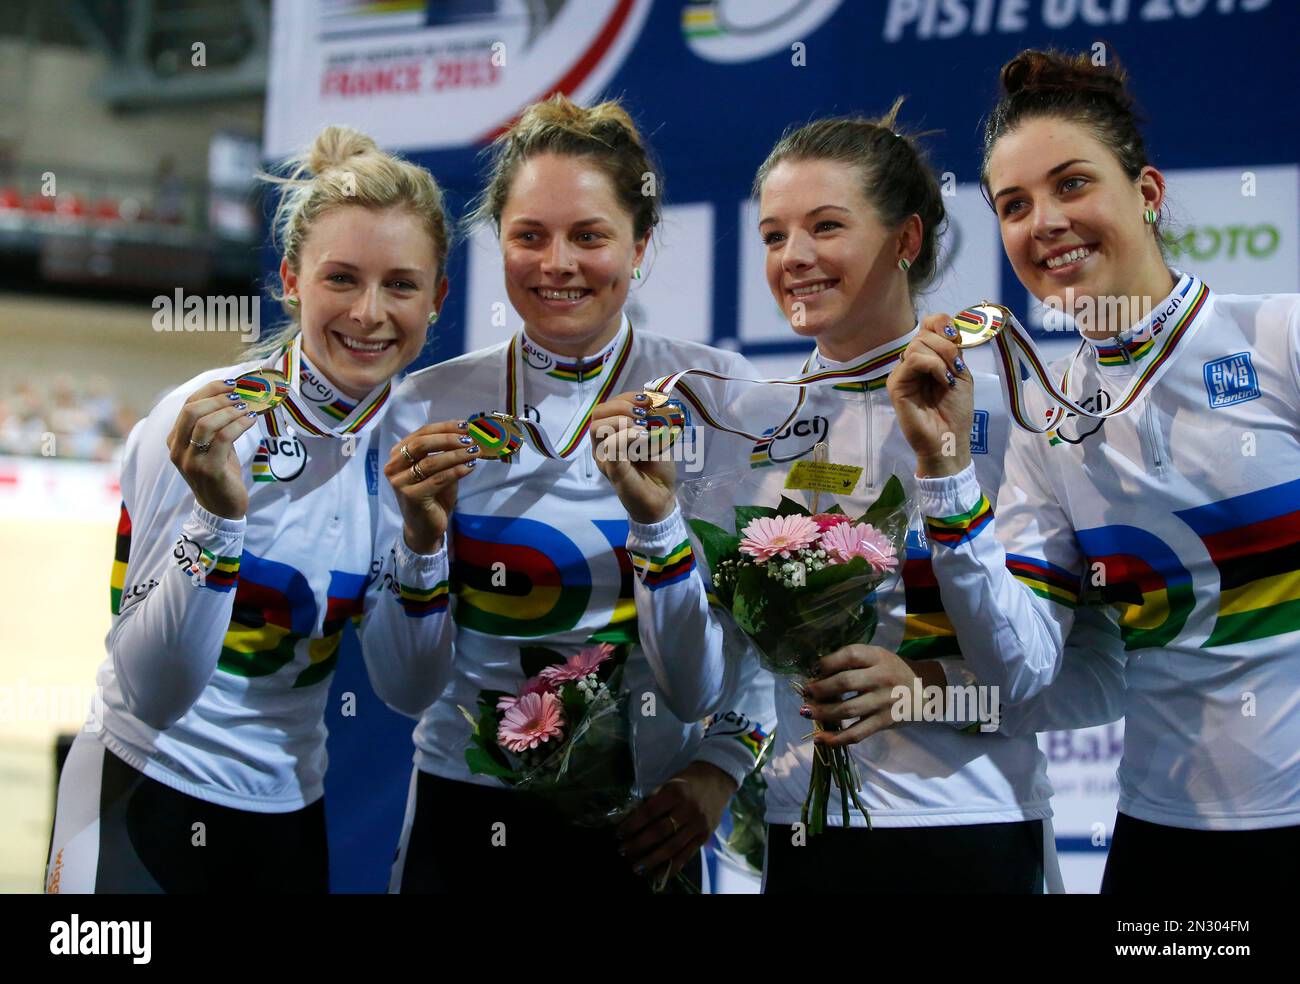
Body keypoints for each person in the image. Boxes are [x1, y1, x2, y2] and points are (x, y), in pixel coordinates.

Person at [593, 101, 1125, 893]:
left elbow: (1095, 677)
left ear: (906, 241)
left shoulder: (1011, 410)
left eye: (826, 227)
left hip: (976, 835)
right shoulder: (740, 424)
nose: (794, 257)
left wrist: (928, 696)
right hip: (802, 839)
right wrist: (657, 526)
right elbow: (698, 688)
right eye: (774, 235)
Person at [889, 49, 1300, 894]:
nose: (1044, 222)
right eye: (1014, 205)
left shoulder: (1280, 340)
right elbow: (1024, 680)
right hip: (1165, 840)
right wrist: (947, 471)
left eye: (1072, 184)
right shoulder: (1048, 423)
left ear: (1146, 194)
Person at [45, 125, 458, 893]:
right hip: (142, 799)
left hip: (289, 819)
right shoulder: (208, 420)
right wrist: (219, 522)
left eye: (400, 285)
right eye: (342, 279)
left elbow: (409, 689)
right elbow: (152, 691)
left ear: (436, 300)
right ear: (291, 279)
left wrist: (426, 541)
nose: (369, 314)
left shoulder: (413, 447)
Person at [384, 94, 776, 894]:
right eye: (529, 235)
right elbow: (401, 689)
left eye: (589, 235)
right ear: (498, 242)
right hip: (465, 820)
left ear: (641, 246)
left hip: (645, 827)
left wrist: (724, 763)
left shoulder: (719, 395)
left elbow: (753, 643)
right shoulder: (424, 404)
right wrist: (422, 546)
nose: (556, 263)